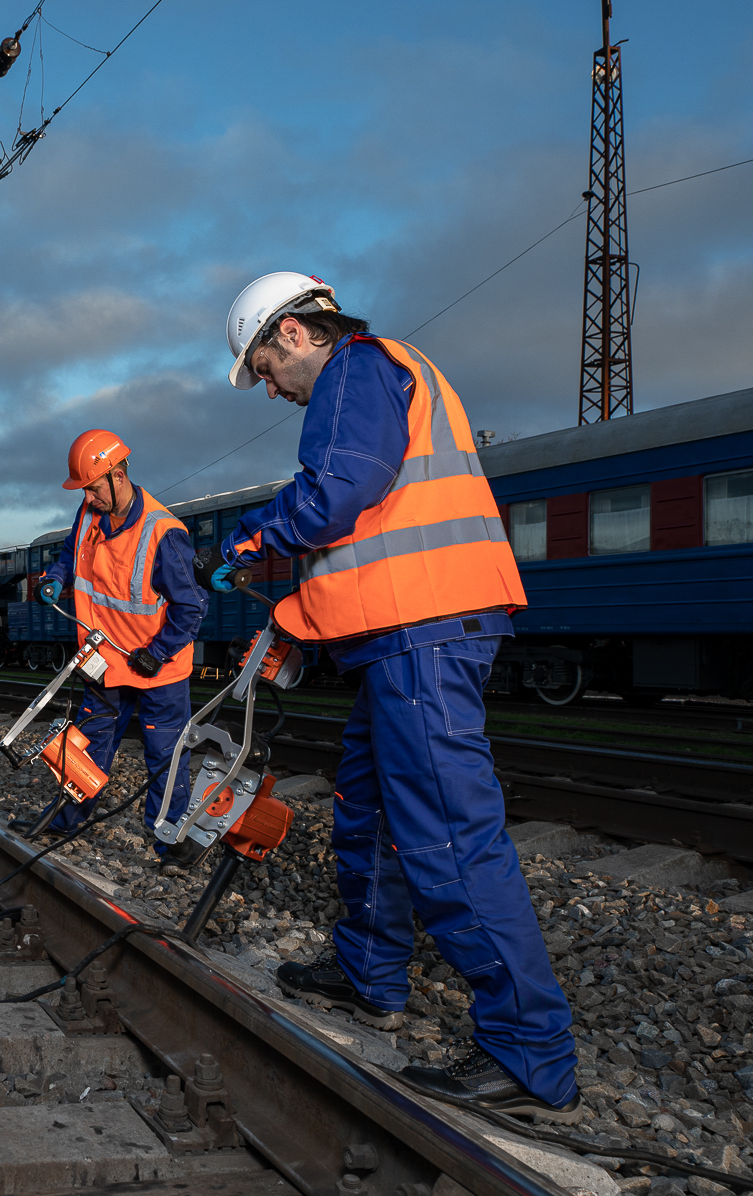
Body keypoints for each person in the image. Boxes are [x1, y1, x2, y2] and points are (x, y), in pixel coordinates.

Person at [205, 272, 579, 1122]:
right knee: (366, 809)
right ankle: (370, 972)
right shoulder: (375, 377)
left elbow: (340, 493)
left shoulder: (358, 370)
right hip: (400, 635)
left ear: (296, 332)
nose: (268, 384)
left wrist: (257, 533)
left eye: (264, 363)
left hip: (427, 630)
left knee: (448, 831)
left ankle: (529, 1051)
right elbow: (367, 529)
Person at [32, 430, 206, 857]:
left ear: (119, 474)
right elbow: (71, 556)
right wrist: (55, 576)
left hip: (156, 669)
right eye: (85, 489)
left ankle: (170, 839)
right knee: (88, 746)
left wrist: (158, 653)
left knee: (165, 755)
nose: (90, 497)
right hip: (106, 662)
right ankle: (67, 819)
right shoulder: (90, 514)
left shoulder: (164, 533)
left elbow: (193, 606)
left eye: (93, 487)